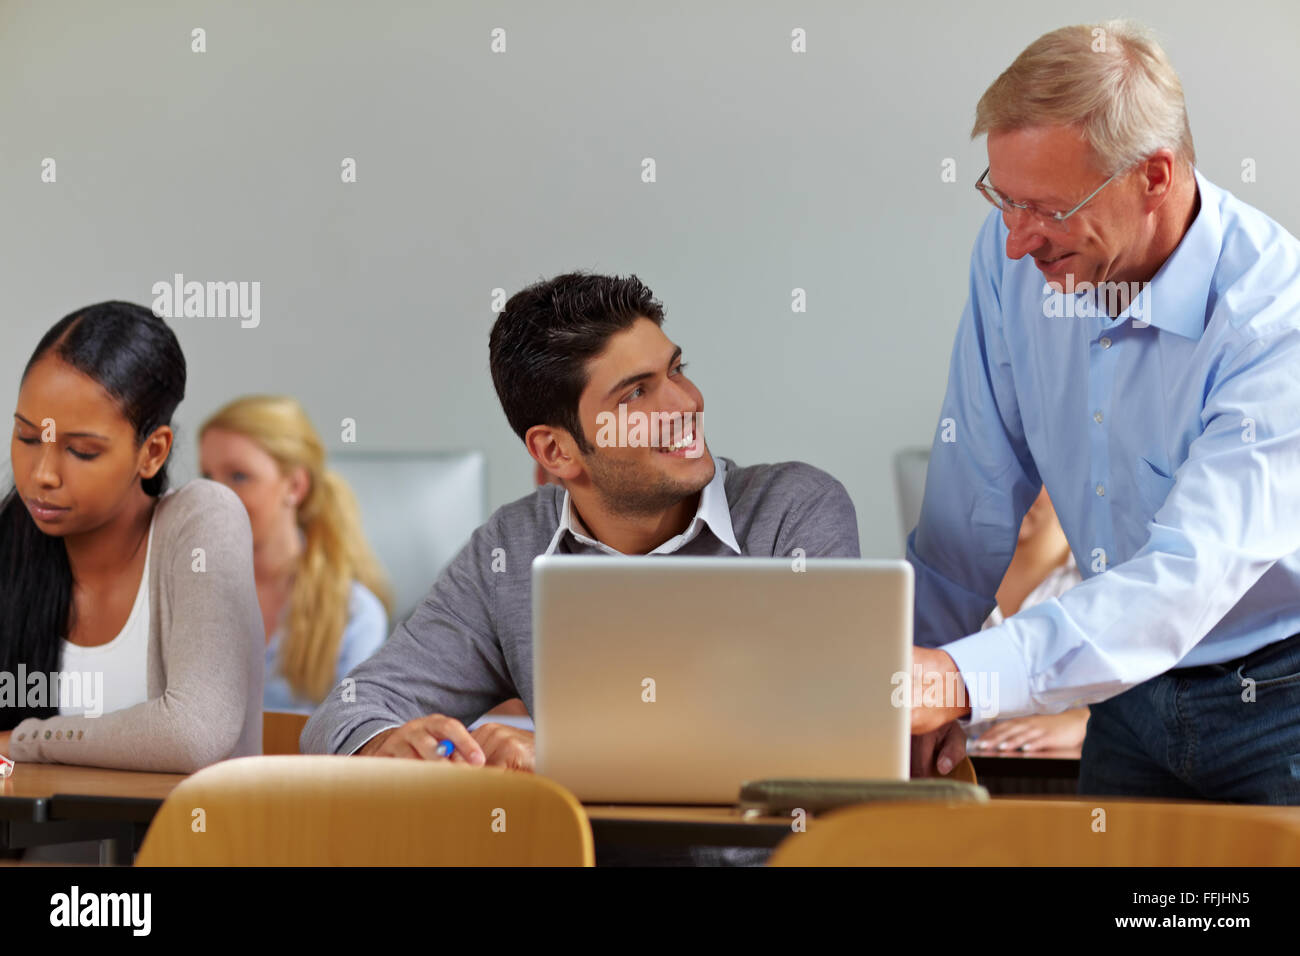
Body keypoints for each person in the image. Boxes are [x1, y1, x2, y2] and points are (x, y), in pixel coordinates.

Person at [301, 273, 858, 862]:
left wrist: (570, 762)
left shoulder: (794, 509)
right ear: (556, 451)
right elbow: (346, 710)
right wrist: (393, 746)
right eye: (635, 394)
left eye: (675, 370)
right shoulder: (512, 547)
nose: (685, 404)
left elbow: (830, 735)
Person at [907, 20, 1300, 802]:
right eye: (1002, 201)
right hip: (1123, 696)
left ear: (1154, 176)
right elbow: (971, 506)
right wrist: (916, 680)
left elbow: (1186, 576)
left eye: (1046, 209)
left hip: (1279, 697)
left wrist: (961, 677)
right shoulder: (1012, 252)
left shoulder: (1276, 318)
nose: (1017, 242)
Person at [0, 301, 262, 773]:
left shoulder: (201, 521)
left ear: (153, 452)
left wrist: (27, 740)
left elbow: (192, 732)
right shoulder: (9, 541)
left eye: (80, 451)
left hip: (183, 845)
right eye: (27, 437)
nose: (42, 474)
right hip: (27, 847)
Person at [198, 396, 392, 714]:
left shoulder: (355, 616)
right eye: (208, 477)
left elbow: (356, 736)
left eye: (239, 477)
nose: (214, 497)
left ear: (295, 486)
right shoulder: (190, 595)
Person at [970, 486, 1087, 752]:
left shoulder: (1101, 581)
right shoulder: (928, 579)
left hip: (1058, 780)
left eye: (1031, 466)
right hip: (953, 777)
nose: (1013, 487)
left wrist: (1085, 722)